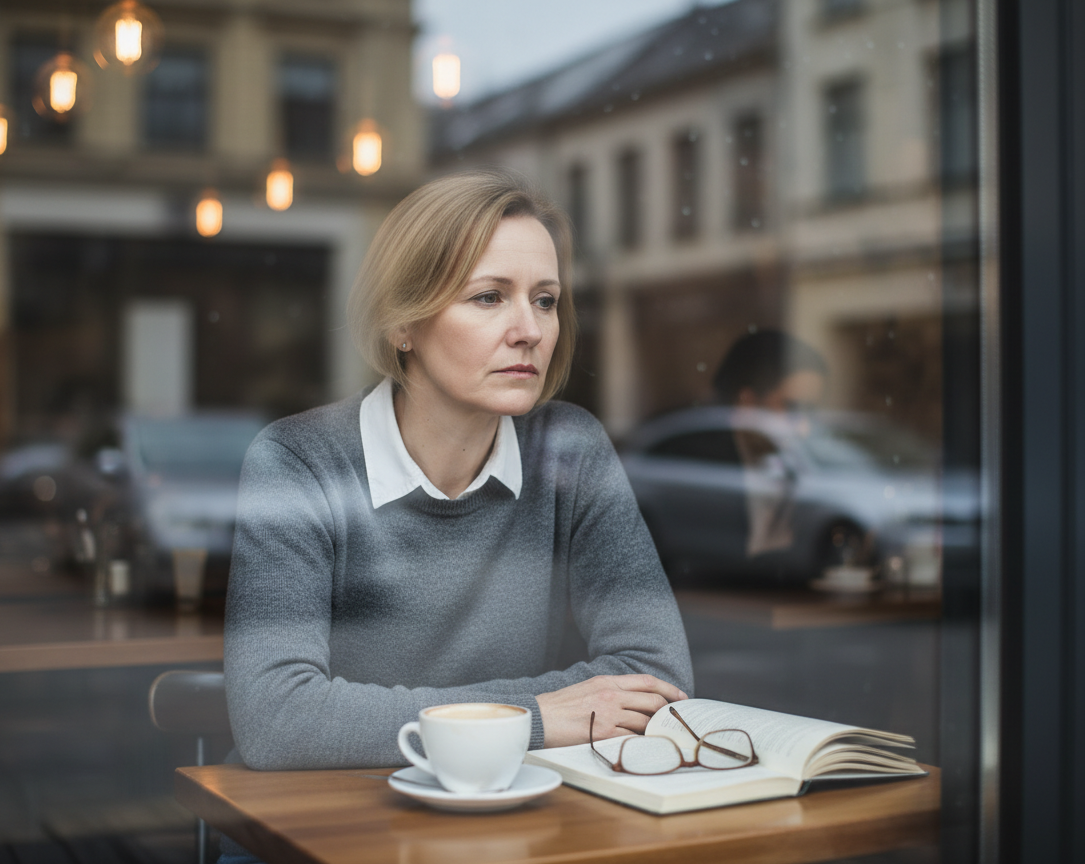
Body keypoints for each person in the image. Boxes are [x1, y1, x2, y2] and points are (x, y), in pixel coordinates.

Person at [223, 169, 693, 777]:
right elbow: (277, 721)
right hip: (324, 819)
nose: (529, 331)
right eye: (488, 297)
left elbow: (657, 676)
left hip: (504, 805)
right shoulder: (298, 461)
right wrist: (537, 714)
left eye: (544, 300)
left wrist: (375, 718)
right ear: (402, 324)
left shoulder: (569, 450)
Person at [711, 329, 829, 562]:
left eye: (811, 412)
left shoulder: (798, 470)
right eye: (792, 407)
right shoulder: (700, 469)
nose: (804, 428)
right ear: (747, 402)